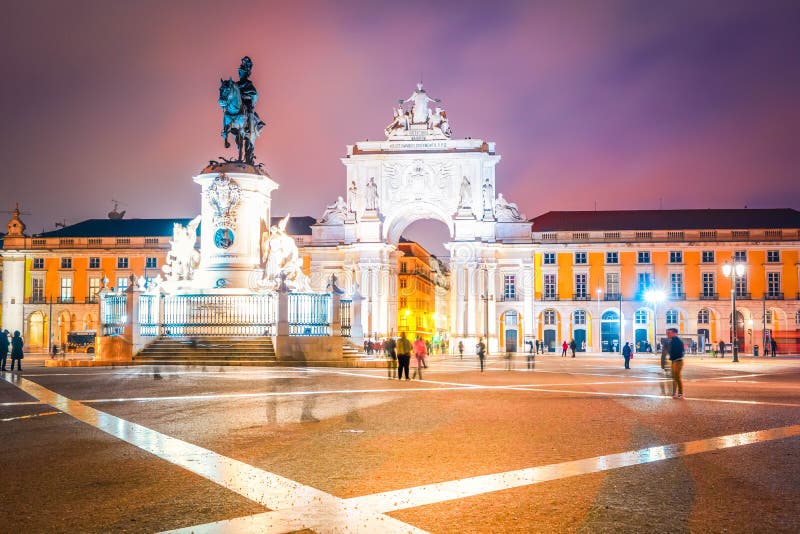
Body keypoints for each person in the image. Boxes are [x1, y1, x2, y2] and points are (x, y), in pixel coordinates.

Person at [667, 327, 685, 398]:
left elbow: (680, 352)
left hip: (678, 361)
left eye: (669, 333)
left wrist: (672, 357)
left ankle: (680, 393)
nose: (668, 334)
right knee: (674, 377)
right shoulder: (672, 341)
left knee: (677, 377)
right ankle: (674, 393)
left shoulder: (677, 341)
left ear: (674, 333)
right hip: (674, 361)